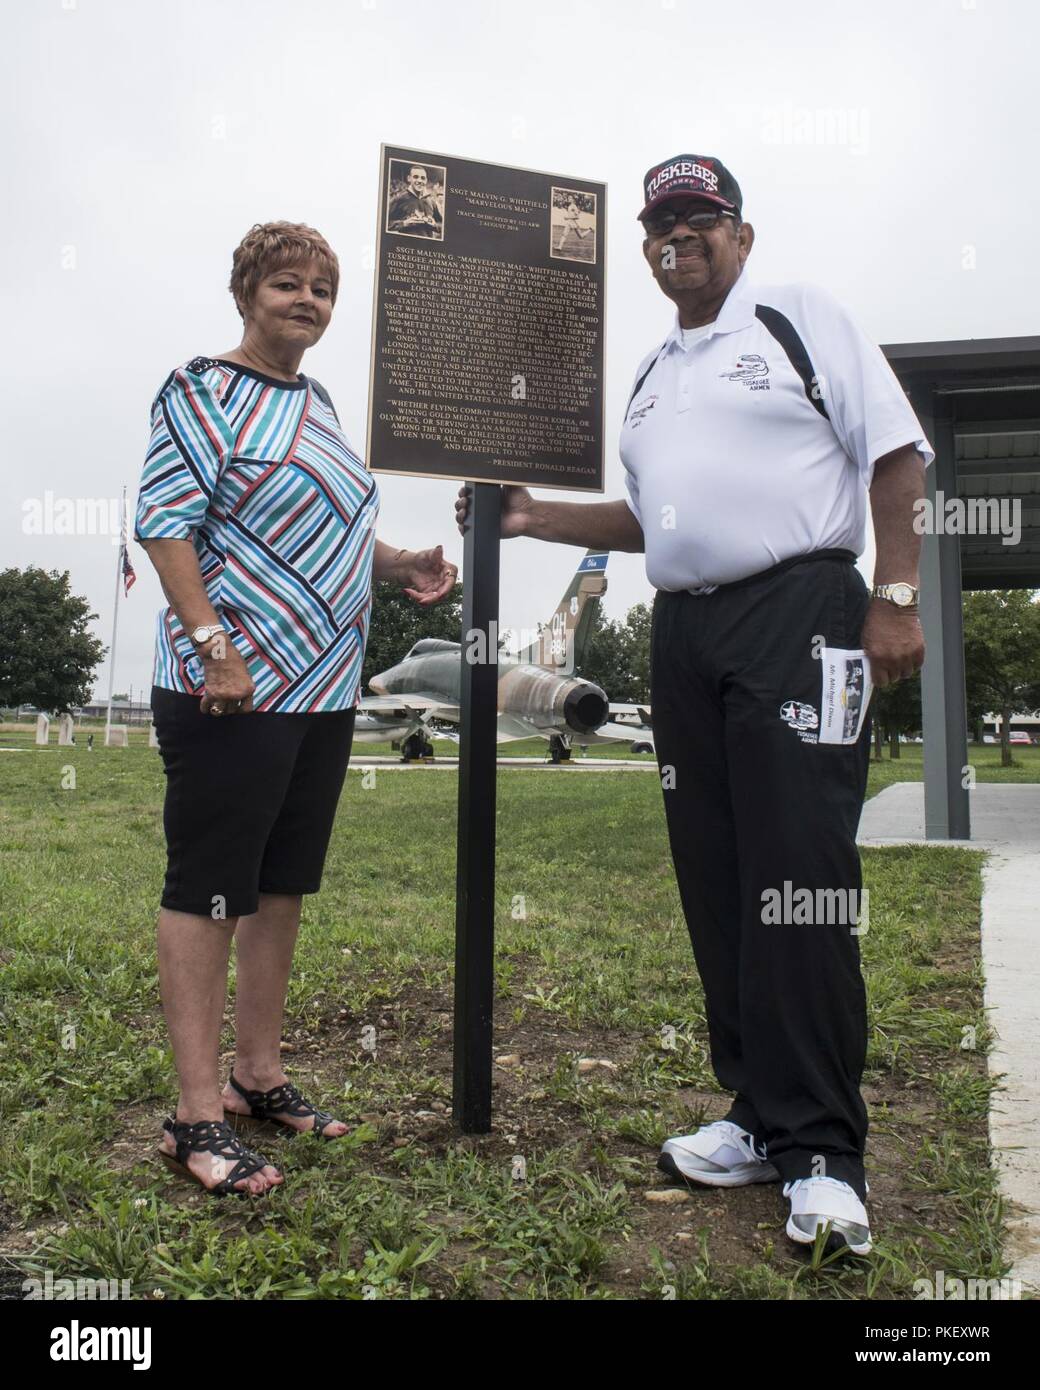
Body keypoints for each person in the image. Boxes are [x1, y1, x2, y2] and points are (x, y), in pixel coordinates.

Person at [456, 155, 933, 1255]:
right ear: (644, 247)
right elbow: (651, 520)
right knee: (716, 878)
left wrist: (895, 596)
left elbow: (897, 455)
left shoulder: (800, 319)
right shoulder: (651, 374)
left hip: (800, 610)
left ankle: (821, 1149)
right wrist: (534, 517)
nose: (679, 234)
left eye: (699, 217)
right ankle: (756, 1117)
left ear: (740, 233)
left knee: (798, 877)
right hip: (687, 630)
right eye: (660, 222)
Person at [137, 221, 457, 1197]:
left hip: (323, 688)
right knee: (212, 888)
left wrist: (398, 561)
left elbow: (328, 531)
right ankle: (193, 1116)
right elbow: (164, 524)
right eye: (286, 283)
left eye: (322, 287)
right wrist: (213, 645)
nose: (307, 300)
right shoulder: (201, 388)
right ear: (246, 293)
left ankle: (256, 1076)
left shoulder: (317, 405)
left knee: (280, 887)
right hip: (233, 686)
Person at [387, 165, 443, 237]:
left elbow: (442, 225)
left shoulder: (431, 201)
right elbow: (384, 222)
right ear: (409, 178)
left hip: (427, 246)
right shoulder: (399, 199)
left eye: (423, 178)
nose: (419, 181)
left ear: (426, 181)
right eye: (415, 177)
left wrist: (434, 225)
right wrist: (404, 223)